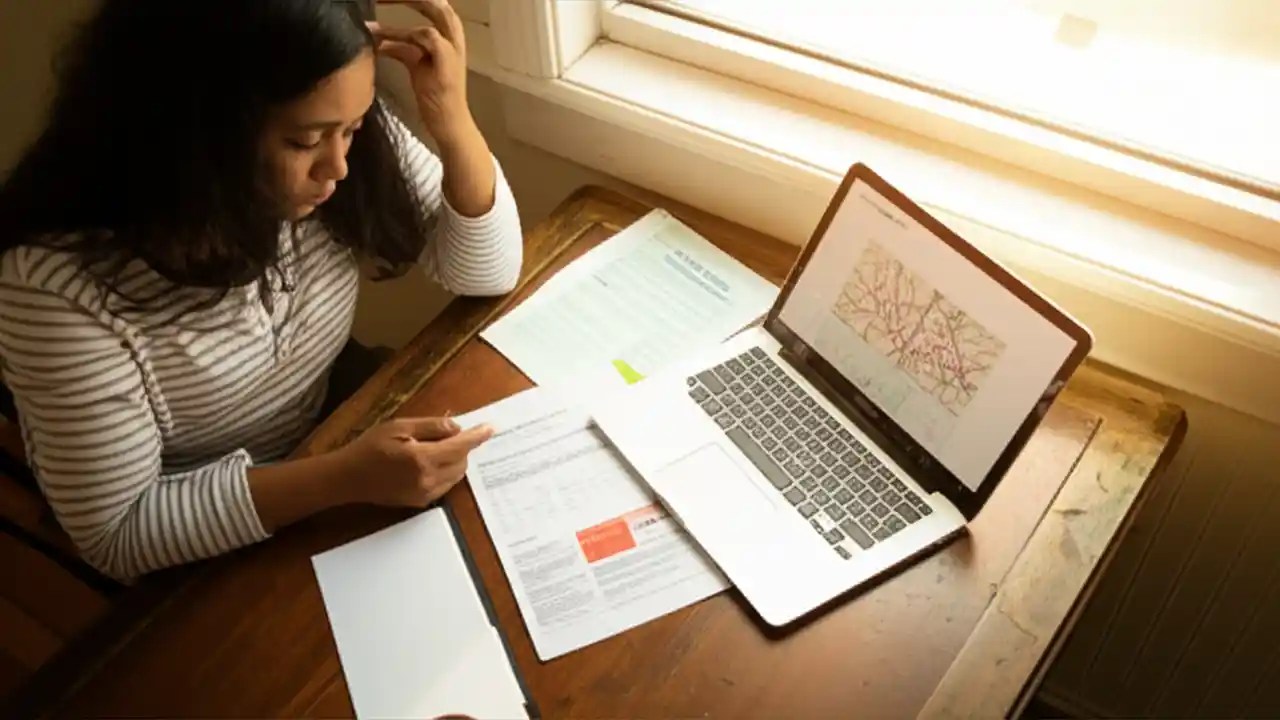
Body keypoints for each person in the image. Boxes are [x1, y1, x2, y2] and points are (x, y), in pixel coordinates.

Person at [0, 0, 521, 580]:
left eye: (352, 128)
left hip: (332, 430)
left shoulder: (335, 132)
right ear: (196, 132)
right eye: (303, 143)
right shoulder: (54, 289)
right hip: (202, 529)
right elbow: (118, 532)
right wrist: (343, 476)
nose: (338, 167)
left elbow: (487, 272)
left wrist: (451, 118)